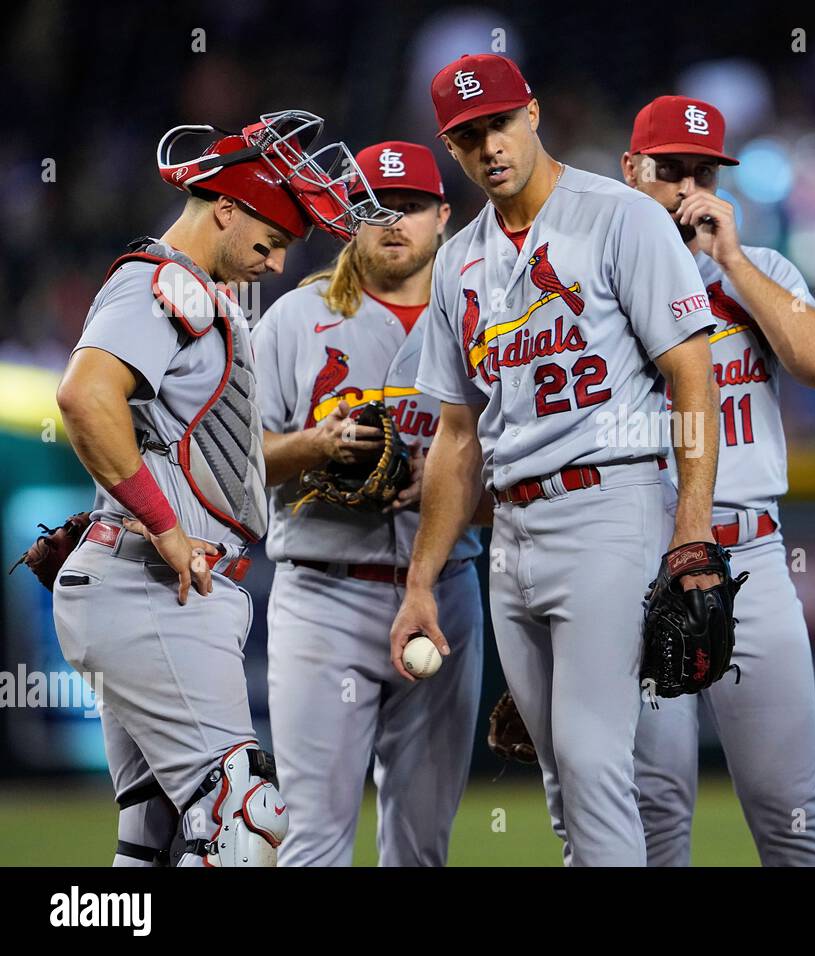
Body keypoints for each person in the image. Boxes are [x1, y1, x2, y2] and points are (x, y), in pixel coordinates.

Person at [388, 53, 722, 866]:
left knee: (592, 764)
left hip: (611, 504)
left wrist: (691, 529)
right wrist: (422, 583)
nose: (490, 147)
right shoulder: (458, 263)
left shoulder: (620, 217)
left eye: (500, 123)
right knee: (561, 784)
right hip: (512, 533)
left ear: (532, 114)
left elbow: (692, 378)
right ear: (451, 148)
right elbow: (459, 438)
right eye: (468, 137)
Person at [53, 111, 390, 866]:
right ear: (228, 209)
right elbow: (84, 398)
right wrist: (164, 527)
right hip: (155, 589)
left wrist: (315, 447)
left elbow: (204, 457)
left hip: (148, 589)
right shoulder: (164, 284)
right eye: (269, 242)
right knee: (248, 821)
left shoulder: (200, 294)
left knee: (154, 839)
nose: (275, 264)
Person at [621, 95, 815, 866]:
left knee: (790, 809)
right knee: (651, 814)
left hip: (747, 556)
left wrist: (735, 264)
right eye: (668, 170)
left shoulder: (758, 272)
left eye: (701, 170)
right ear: (632, 170)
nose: (686, 187)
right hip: (635, 558)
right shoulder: (596, 282)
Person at [252, 141, 487, 866]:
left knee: (421, 846)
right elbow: (233, 457)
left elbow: (520, 466)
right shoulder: (293, 320)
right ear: (347, 219)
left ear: (443, 216)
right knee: (314, 841)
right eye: (373, 208)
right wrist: (312, 449)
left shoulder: (483, 319)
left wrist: (452, 489)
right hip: (323, 592)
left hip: (445, 594)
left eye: (410, 206)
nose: (392, 223)